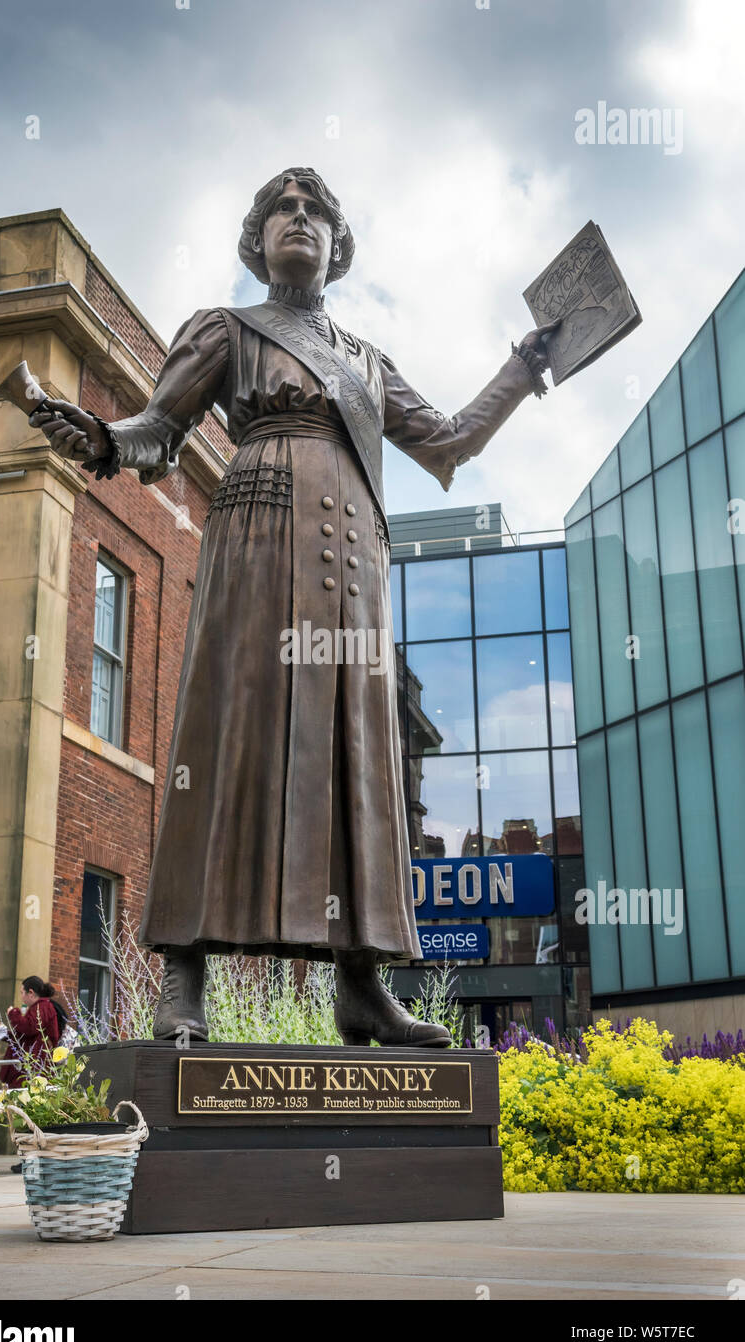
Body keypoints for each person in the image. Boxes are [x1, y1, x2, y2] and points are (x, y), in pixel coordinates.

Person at [30, 167, 557, 1048]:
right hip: (258, 548)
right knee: (227, 738)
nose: (302, 220)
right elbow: (160, 429)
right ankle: (183, 981)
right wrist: (103, 439)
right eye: (285, 208)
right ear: (259, 238)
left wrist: (527, 362)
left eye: (318, 212)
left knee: (355, 758)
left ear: (339, 247)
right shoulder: (228, 330)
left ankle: (361, 989)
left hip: (352, 569)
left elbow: (453, 442)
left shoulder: (365, 361)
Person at [0, 977, 61, 1087]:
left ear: (31, 993)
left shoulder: (43, 1007)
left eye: (22, 993)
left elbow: (29, 1028)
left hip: (35, 1066)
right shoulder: (41, 1007)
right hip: (32, 1064)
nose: (21, 997)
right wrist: (6, 1035)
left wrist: (14, 1013)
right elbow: (27, 1037)